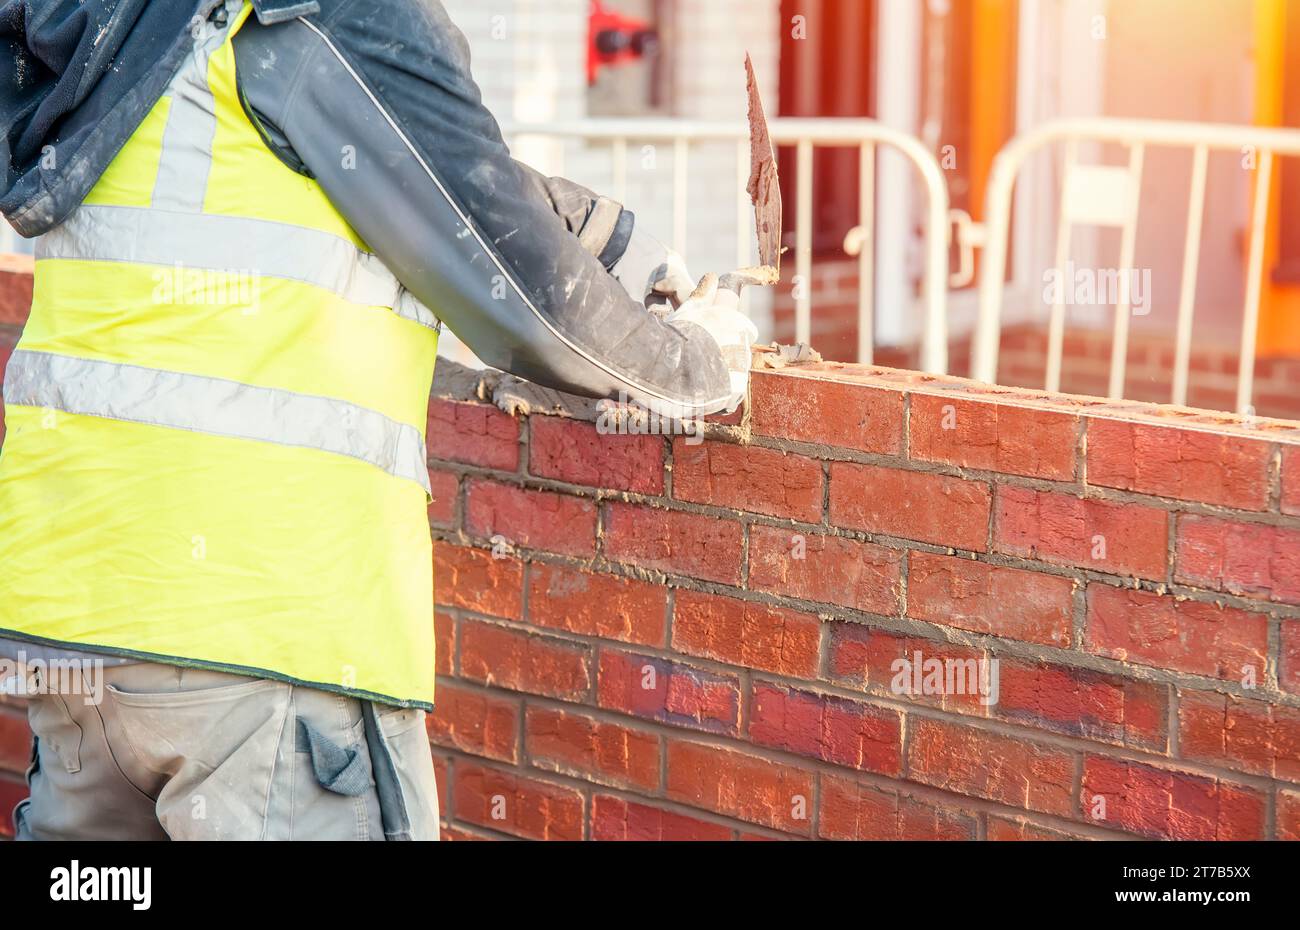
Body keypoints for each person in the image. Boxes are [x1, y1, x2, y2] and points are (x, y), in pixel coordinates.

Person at [0, 0, 753, 840]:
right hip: (263, 629)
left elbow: (372, 161)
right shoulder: (329, 15)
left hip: (69, 619)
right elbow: (529, 301)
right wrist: (698, 362)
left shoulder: (121, 26)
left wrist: (599, 233)